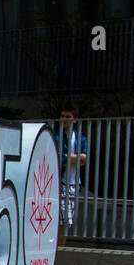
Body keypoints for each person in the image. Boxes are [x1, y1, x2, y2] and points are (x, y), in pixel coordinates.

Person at [56, 105, 87, 247]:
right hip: (58, 183)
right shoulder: (56, 136)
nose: (64, 119)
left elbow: (84, 159)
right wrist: (75, 158)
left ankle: (60, 251)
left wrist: (67, 157)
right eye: (62, 116)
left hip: (73, 184)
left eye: (68, 117)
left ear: (74, 120)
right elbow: (59, 159)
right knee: (61, 221)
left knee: (66, 223)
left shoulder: (80, 138)